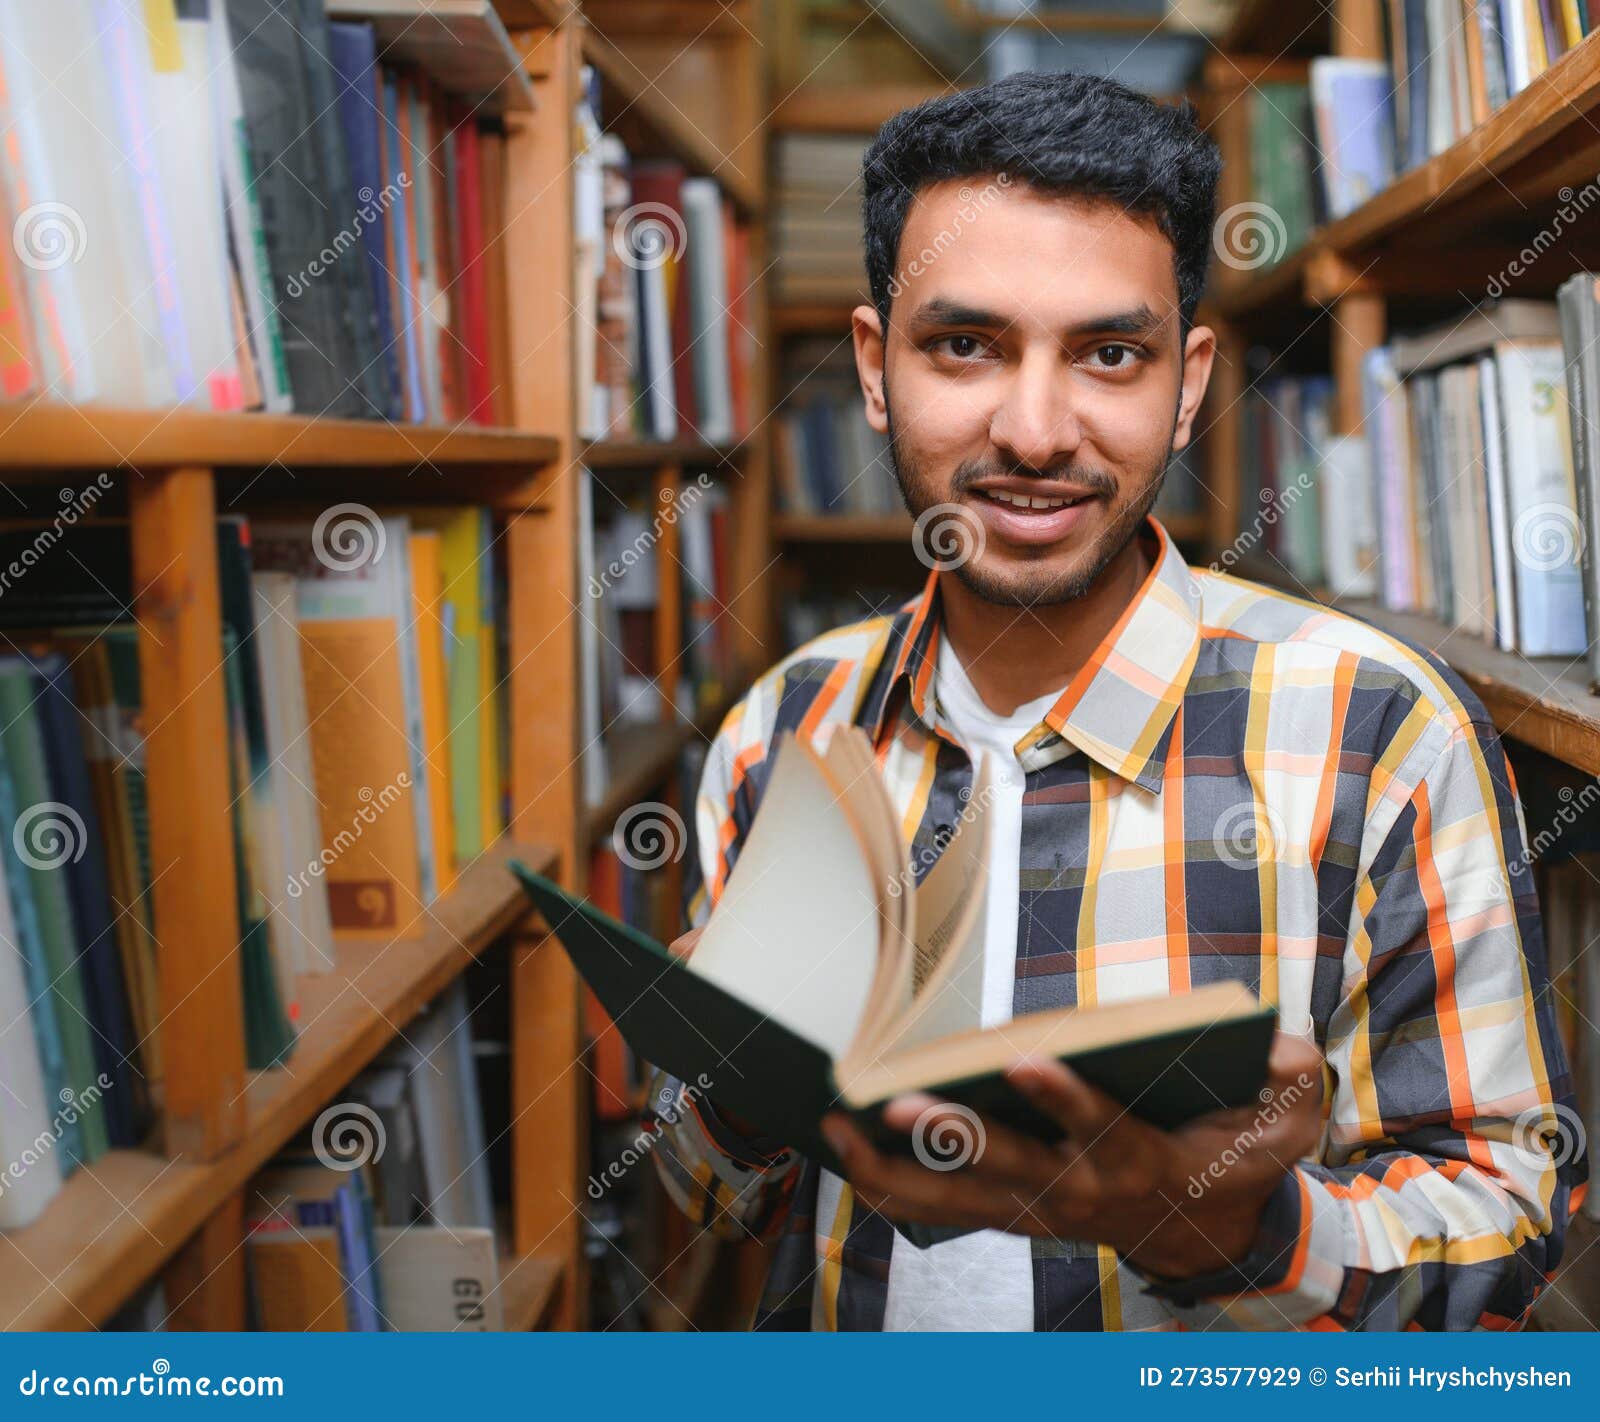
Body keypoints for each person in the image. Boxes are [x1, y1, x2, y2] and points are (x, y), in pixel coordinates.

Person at [646, 71, 1585, 1331]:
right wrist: (728, 1091)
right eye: (964, 345)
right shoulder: (780, 730)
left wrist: (1238, 1231)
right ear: (875, 366)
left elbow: (1515, 1223)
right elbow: (708, 1199)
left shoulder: (1379, 728)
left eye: (1108, 354)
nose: (1035, 431)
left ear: (1188, 383)